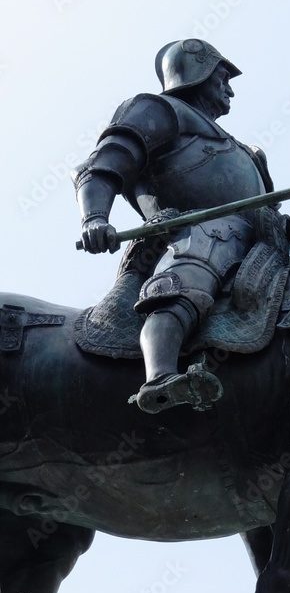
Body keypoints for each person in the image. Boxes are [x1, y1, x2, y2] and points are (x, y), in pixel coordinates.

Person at [72, 38, 274, 414]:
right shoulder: (159, 110)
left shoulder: (247, 152)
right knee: (200, 258)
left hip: (259, 243)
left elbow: (270, 210)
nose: (229, 88)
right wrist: (95, 217)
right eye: (222, 77)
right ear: (196, 73)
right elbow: (104, 163)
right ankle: (160, 377)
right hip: (193, 234)